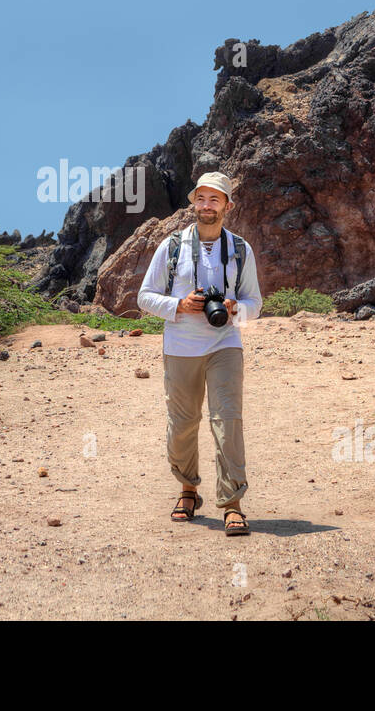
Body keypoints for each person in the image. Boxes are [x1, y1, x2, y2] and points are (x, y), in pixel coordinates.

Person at [136, 171, 262, 536]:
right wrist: (179, 305)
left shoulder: (240, 249)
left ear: (228, 205)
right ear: (194, 203)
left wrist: (236, 308)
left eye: (215, 199)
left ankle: (232, 503)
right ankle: (188, 488)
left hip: (225, 344)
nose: (207, 206)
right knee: (183, 423)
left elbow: (255, 300)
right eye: (201, 199)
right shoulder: (171, 246)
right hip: (180, 346)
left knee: (228, 421)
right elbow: (144, 297)